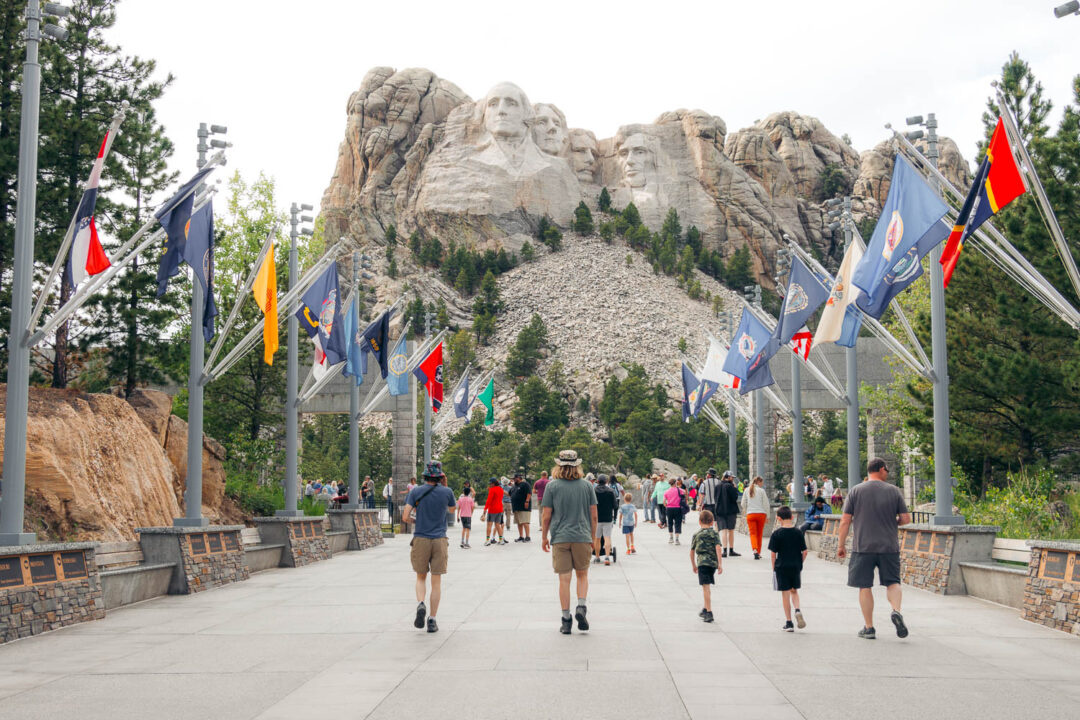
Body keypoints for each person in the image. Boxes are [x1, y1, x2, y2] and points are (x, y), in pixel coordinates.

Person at [838, 458, 912, 640]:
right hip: (889, 546)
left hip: (863, 546)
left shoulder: (855, 491)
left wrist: (841, 545)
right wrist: (892, 522)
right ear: (880, 469)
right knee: (893, 582)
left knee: (864, 586)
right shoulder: (894, 491)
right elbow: (906, 519)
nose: (887, 473)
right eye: (886, 469)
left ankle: (869, 628)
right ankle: (896, 611)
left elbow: (845, 520)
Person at [541, 450, 598, 635]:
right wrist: (592, 536)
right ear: (577, 465)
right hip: (582, 536)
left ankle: (566, 620)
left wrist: (544, 537)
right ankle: (581, 607)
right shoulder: (587, 486)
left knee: (564, 579)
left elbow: (546, 515)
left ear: (558, 465)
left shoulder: (552, 486)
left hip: (560, 537)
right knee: (582, 575)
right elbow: (594, 515)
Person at [402, 461, 458, 633]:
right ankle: (432, 619)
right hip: (439, 540)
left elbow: (404, 517)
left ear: (425, 475)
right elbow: (452, 510)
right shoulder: (447, 492)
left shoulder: (416, 491)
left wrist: (416, 521)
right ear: (440, 476)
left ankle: (420, 604)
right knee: (436, 581)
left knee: (420, 577)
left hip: (421, 538)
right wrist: (446, 486)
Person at [768, 506, 808, 632]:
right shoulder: (798, 532)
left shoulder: (776, 534)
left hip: (782, 567)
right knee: (794, 591)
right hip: (795, 566)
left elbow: (773, 554)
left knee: (785, 594)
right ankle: (797, 609)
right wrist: (799, 563)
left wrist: (774, 568)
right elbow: (805, 552)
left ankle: (789, 622)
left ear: (778, 518)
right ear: (792, 517)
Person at [690, 509, 723, 623]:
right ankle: (705, 608)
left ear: (699, 522)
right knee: (707, 586)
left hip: (702, 564)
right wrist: (720, 564)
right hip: (712, 564)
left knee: (705, 587)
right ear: (712, 522)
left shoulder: (696, 534)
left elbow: (692, 551)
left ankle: (709, 612)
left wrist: (694, 565)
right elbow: (718, 548)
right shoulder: (714, 533)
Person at [741, 476, 770, 560]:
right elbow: (766, 504)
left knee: (753, 533)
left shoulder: (747, 490)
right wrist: (767, 516)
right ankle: (759, 552)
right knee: (759, 534)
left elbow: (743, 503)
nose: (762, 484)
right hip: (761, 514)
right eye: (762, 482)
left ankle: (754, 550)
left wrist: (747, 509)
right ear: (759, 482)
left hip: (751, 514)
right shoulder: (761, 491)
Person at [715, 471, 742, 557]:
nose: (733, 479)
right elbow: (735, 497)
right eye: (732, 477)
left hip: (719, 511)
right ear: (729, 477)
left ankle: (724, 551)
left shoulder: (717, 486)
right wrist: (734, 488)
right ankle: (731, 550)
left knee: (723, 530)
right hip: (730, 511)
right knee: (730, 530)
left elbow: (715, 498)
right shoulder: (730, 486)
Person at [593, 475, 618, 564]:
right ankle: (607, 557)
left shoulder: (594, 491)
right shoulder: (611, 491)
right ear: (606, 481)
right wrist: (614, 518)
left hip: (597, 518)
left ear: (598, 481)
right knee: (607, 537)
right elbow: (615, 506)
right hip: (607, 518)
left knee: (597, 538)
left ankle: (597, 557)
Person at [482, 477, 507, 546]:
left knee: (489, 525)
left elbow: (489, 501)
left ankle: (487, 540)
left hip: (492, 510)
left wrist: (485, 509)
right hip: (500, 509)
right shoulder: (501, 489)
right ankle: (501, 540)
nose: (490, 484)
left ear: (493, 483)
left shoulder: (492, 490)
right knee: (497, 525)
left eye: (490, 483)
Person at [663, 478, 687, 544]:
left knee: (670, 523)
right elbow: (685, 492)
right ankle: (677, 539)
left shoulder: (667, 491)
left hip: (669, 508)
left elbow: (664, 502)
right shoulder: (679, 490)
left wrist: (667, 506)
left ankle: (671, 538)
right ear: (675, 483)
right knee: (677, 523)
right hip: (677, 508)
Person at [511, 472, 533, 542]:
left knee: (525, 522)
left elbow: (529, 493)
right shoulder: (514, 486)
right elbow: (509, 494)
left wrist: (527, 501)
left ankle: (528, 537)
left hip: (523, 507)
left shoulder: (525, 484)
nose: (514, 479)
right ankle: (521, 536)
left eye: (515, 478)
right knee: (519, 522)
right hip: (516, 507)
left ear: (519, 478)